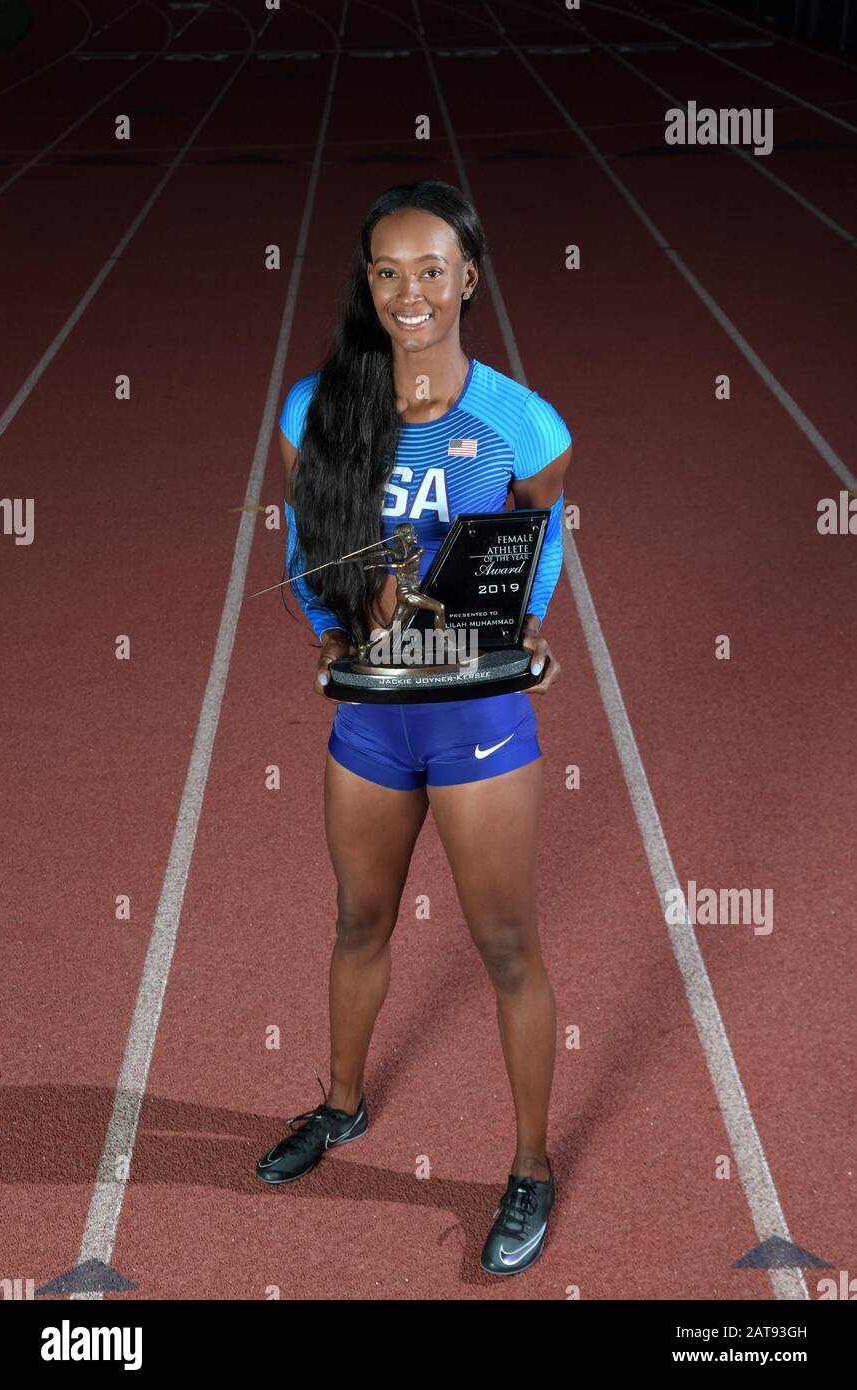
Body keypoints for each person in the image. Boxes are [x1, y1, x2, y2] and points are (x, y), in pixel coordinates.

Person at [256, 180, 573, 1278]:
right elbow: (305, 547)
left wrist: (528, 625)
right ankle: (339, 1106)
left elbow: (541, 527)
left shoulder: (520, 422)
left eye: (430, 269)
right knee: (357, 922)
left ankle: (529, 1163)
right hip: (371, 723)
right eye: (386, 271)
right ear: (366, 281)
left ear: (467, 279)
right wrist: (323, 633)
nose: (408, 292)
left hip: (478, 717)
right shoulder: (314, 410)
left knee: (502, 947)